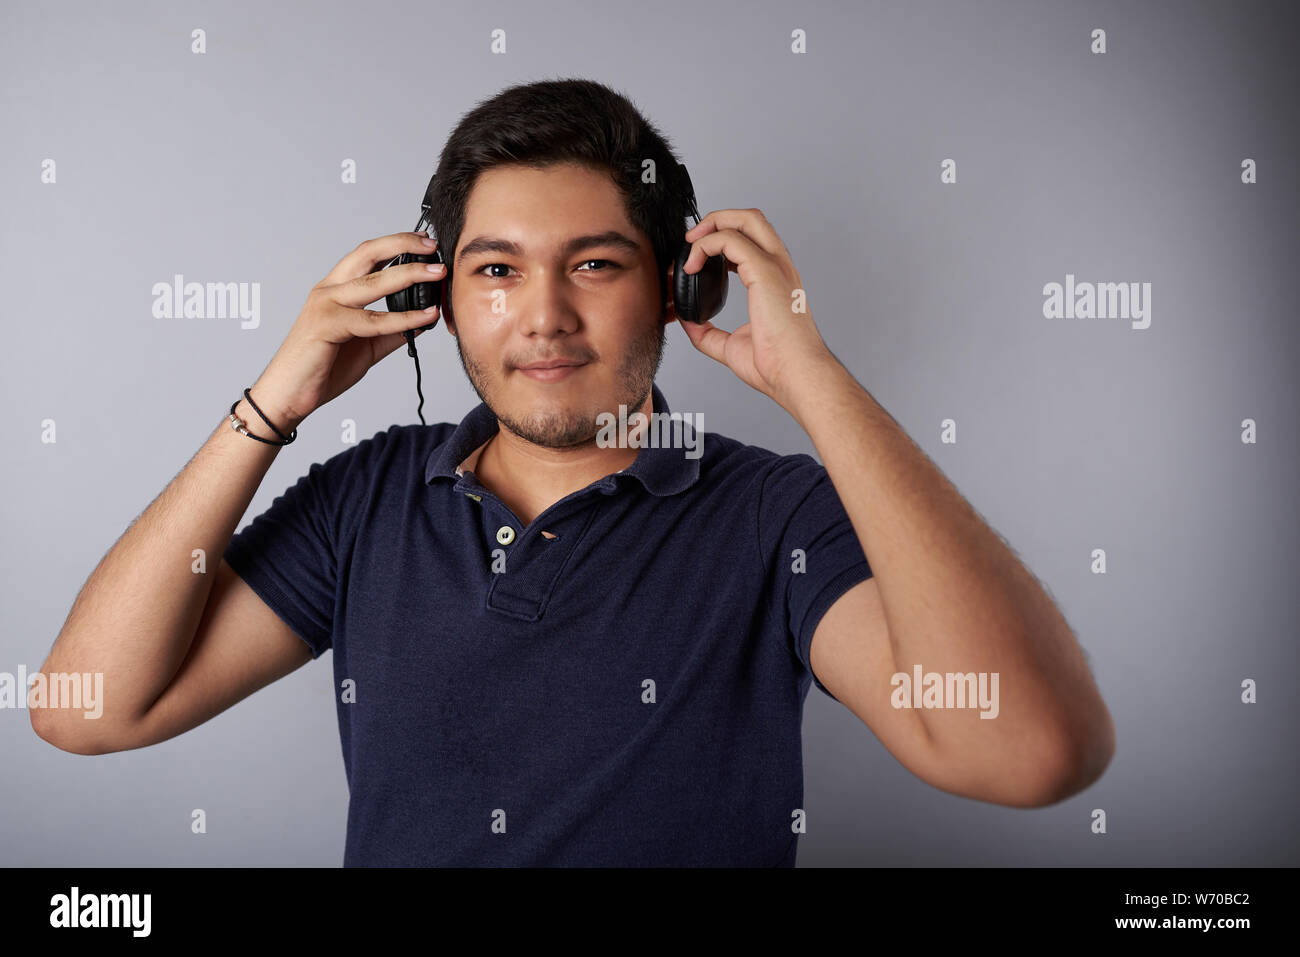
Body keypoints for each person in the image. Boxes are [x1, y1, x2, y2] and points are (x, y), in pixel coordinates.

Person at [32, 77, 1114, 866]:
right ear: (437, 300)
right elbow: (85, 712)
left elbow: (1028, 753)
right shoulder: (366, 498)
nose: (544, 315)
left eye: (594, 264)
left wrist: (815, 381)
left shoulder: (776, 518)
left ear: (682, 292)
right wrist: (274, 403)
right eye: (495, 270)